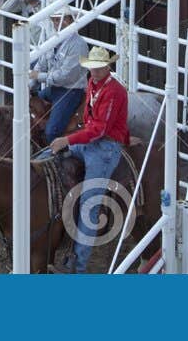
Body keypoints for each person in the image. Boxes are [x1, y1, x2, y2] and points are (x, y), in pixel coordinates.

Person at [46, 45, 129, 274]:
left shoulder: (114, 91)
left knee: (89, 207)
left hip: (104, 149)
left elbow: (100, 130)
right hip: (92, 142)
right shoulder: (93, 84)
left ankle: (78, 267)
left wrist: (67, 140)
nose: (94, 72)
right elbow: (94, 124)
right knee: (48, 156)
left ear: (107, 67)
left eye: (99, 68)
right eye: (92, 68)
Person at [30, 6, 89, 145]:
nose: (57, 24)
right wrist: (30, 85)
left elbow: (66, 76)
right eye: (55, 20)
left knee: (52, 131)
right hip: (56, 89)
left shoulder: (78, 45)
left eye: (61, 19)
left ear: (70, 20)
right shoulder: (54, 40)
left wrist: (39, 76)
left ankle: (55, 154)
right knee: (31, 105)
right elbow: (41, 63)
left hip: (71, 91)